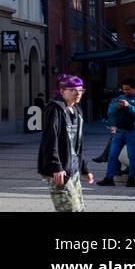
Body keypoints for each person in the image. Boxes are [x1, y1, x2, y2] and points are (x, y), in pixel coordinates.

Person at [38, 74, 95, 211]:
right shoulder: (55, 109)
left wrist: (84, 168)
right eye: (73, 90)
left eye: (81, 90)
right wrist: (56, 167)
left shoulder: (77, 111)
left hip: (72, 167)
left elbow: (78, 144)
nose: (78, 93)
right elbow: (50, 139)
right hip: (59, 170)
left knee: (79, 208)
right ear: (63, 91)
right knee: (70, 209)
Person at [98, 78, 135, 187]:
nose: (125, 91)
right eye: (123, 89)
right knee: (112, 155)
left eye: (127, 89)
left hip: (132, 132)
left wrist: (128, 106)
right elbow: (110, 113)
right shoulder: (119, 98)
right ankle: (109, 178)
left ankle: (131, 179)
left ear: (134, 88)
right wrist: (117, 107)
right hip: (119, 132)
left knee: (132, 156)